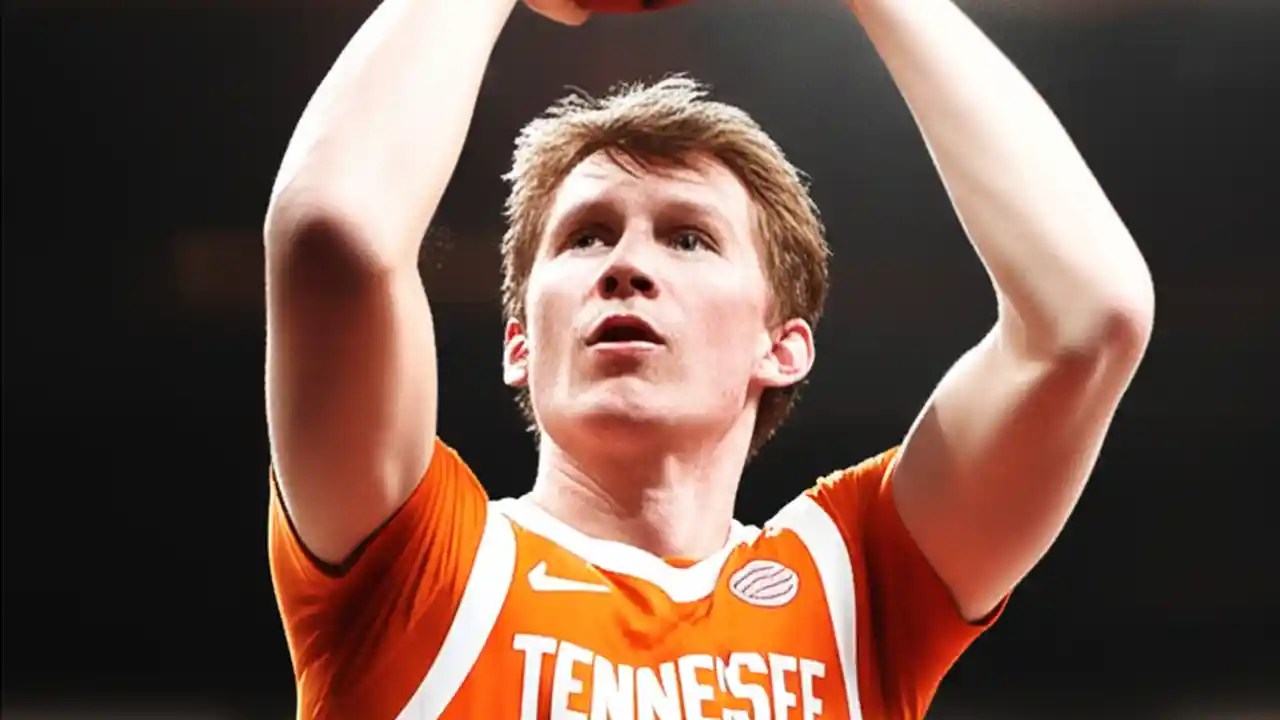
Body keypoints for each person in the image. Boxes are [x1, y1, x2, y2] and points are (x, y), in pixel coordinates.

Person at [262, 0, 1154, 717]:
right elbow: (332, 236)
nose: (626, 265)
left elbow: (1089, 319)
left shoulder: (853, 587)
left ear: (784, 344)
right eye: (585, 237)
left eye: (688, 239)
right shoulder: (422, 569)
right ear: (520, 344)